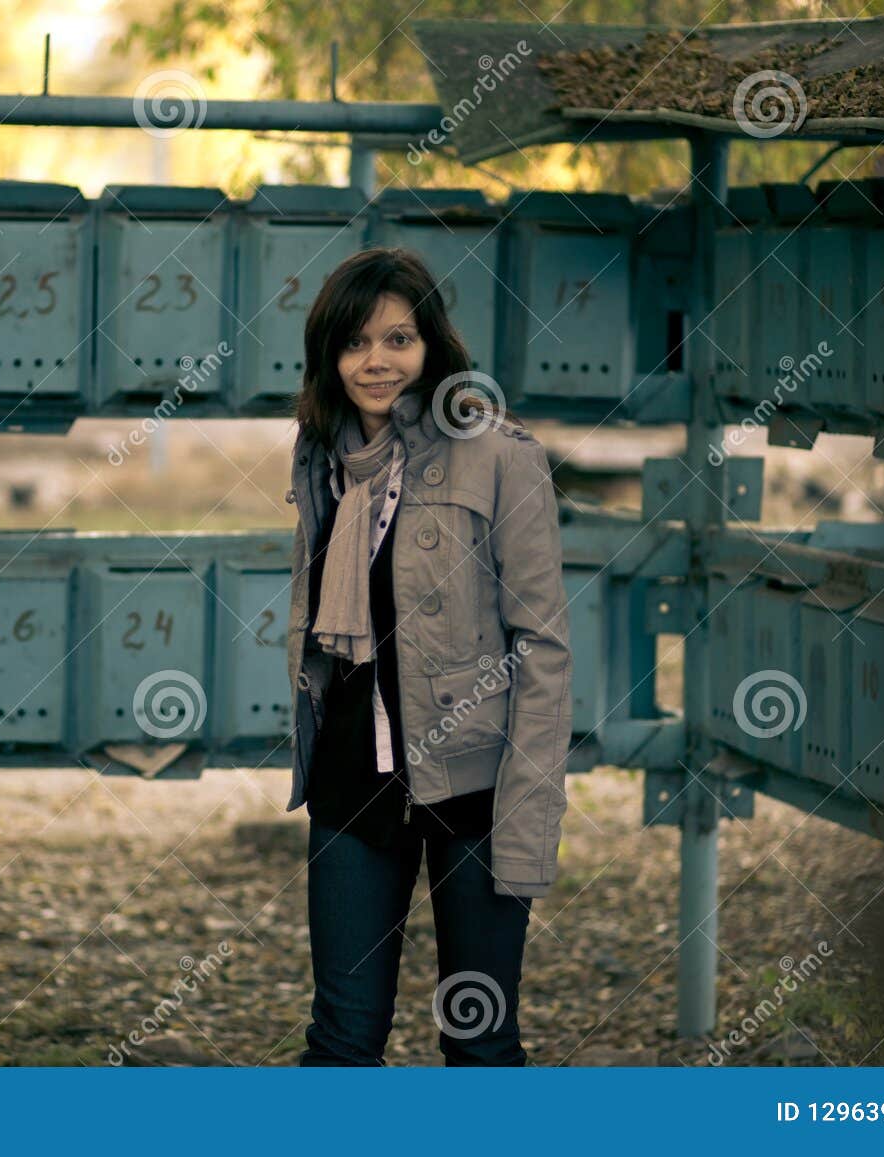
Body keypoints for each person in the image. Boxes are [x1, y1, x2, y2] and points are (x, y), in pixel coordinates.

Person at [282, 246, 573, 1066]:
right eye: (354, 343)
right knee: (341, 1040)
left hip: (473, 786)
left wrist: (529, 811)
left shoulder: (502, 456)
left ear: (433, 346)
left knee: (478, 1043)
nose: (376, 362)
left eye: (398, 339)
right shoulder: (324, 459)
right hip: (352, 777)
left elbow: (543, 646)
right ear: (329, 357)